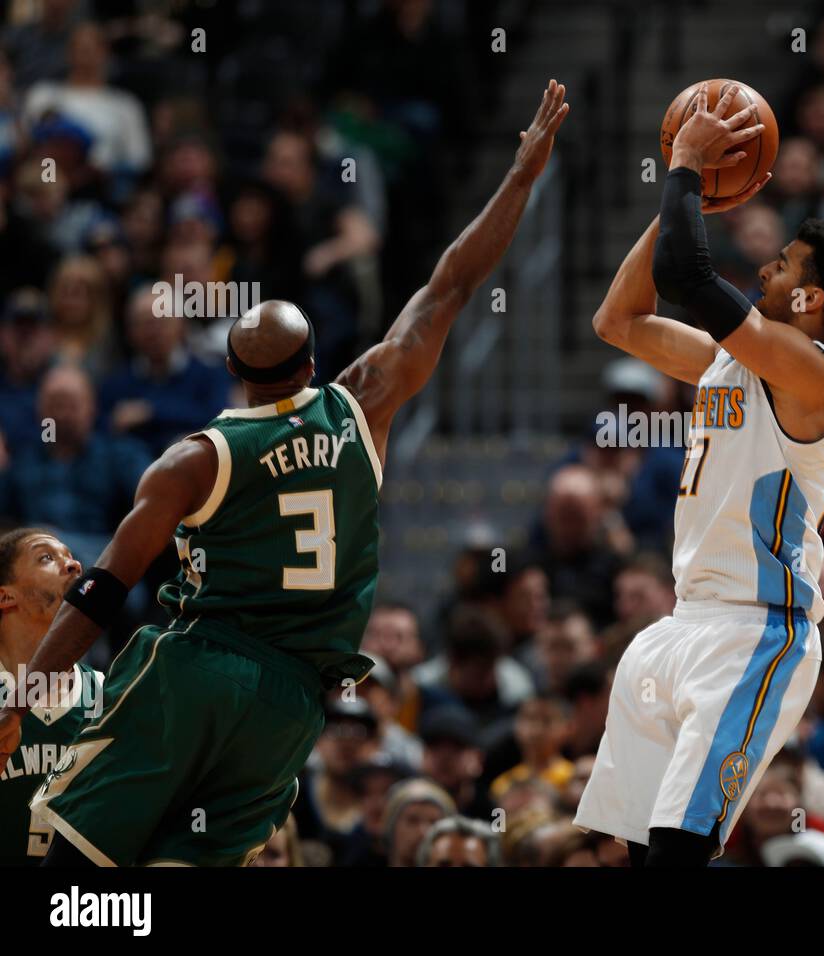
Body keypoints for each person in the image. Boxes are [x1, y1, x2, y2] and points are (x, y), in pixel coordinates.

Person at [0, 81, 569, 867]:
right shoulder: (365, 399)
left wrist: (26, 697)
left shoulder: (192, 460)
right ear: (312, 361)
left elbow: (100, 591)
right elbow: (452, 283)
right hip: (295, 701)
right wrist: (520, 177)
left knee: (75, 865)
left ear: (233, 370)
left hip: (196, 672)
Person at [575, 83, 824, 866]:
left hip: (757, 630)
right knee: (626, 850)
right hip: (682, 623)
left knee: (680, 850)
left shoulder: (816, 376)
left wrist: (687, 170)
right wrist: (690, 191)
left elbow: (688, 273)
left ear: (809, 299)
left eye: (780, 268)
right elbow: (618, 320)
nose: (765, 272)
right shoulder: (730, 363)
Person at [0, 529, 101, 865]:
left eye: (70, 556)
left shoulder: (107, 693)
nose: (73, 565)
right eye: (47, 557)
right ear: (5, 597)